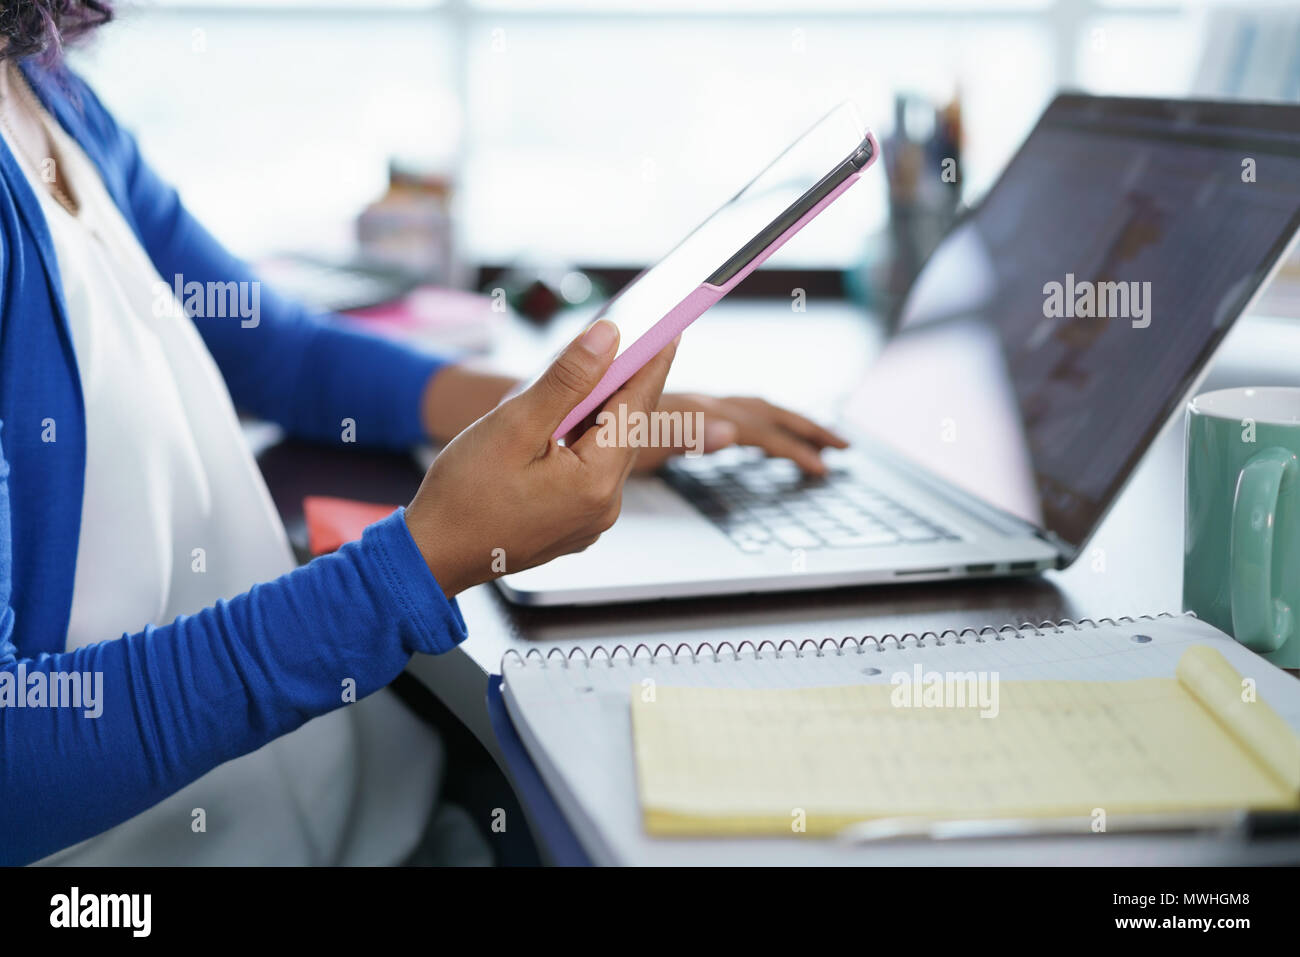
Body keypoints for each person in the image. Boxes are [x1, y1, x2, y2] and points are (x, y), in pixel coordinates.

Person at [0, 2, 847, 866]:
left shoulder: (43, 91)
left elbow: (277, 350)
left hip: (343, 794)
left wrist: (568, 407)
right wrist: (423, 559)